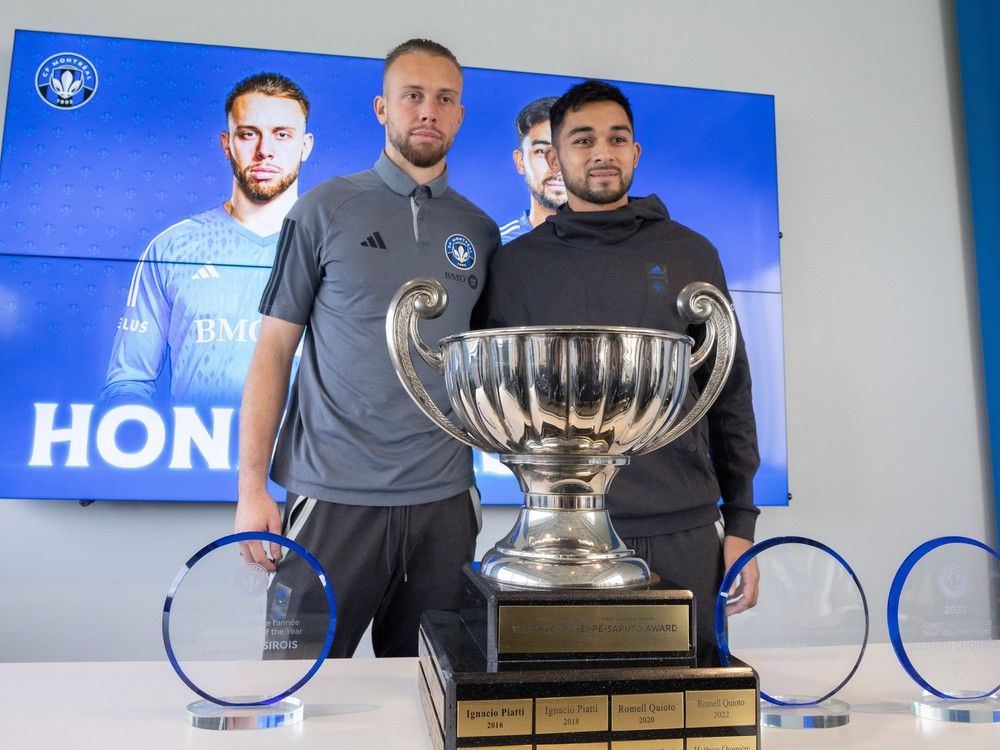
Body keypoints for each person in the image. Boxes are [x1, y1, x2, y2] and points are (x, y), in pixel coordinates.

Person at [235, 39, 500, 658]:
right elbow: (273, 350)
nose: (428, 111)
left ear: (460, 115)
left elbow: (488, 371)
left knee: (431, 691)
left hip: (444, 505)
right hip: (332, 501)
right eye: (412, 96)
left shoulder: (481, 233)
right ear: (383, 108)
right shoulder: (324, 210)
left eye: (445, 99)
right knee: (294, 686)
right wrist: (252, 488)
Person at [473, 79, 760, 645]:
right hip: (558, 540)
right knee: (567, 712)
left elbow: (728, 390)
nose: (602, 152)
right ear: (555, 157)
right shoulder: (514, 265)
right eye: (583, 139)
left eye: (616, 138)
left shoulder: (691, 252)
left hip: (681, 530)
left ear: (636, 152)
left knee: (680, 716)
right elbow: (494, 400)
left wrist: (742, 525)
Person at [98, 73, 314, 407]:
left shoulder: (332, 249)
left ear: (305, 145)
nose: (264, 151)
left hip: (301, 460)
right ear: (226, 143)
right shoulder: (172, 246)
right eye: (248, 134)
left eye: (282, 135)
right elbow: (127, 383)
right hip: (196, 457)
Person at [498, 96, 566, 244]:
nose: (556, 165)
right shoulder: (496, 246)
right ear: (520, 162)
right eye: (541, 151)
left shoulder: (610, 246)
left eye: (567, 151)